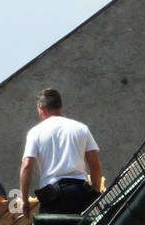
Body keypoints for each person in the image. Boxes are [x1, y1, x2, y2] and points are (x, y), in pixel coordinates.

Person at [19, 88, 101, 217]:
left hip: (52, 196)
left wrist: (24, 199)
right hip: (80, 192)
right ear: (60, 106)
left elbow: (27, 166)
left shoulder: (35, 132)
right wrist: (96, 192)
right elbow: (95, 165)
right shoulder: (81, 128)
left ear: (40, 107)